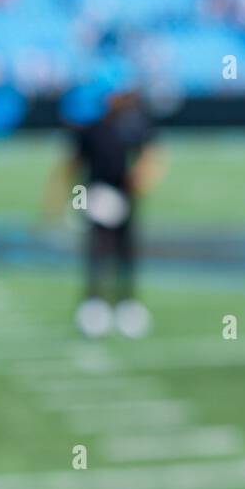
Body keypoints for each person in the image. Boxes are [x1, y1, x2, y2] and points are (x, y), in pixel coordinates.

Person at [54, 87, 164, 339]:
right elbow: (73, 166)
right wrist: (77, 199)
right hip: (98, 198)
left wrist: (141, 177)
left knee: (126, 253)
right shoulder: (91, 129)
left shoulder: (130, 126)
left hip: (124, 199)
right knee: (98, 253)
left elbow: (149, 154)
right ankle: (94, 304)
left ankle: (126, 303)